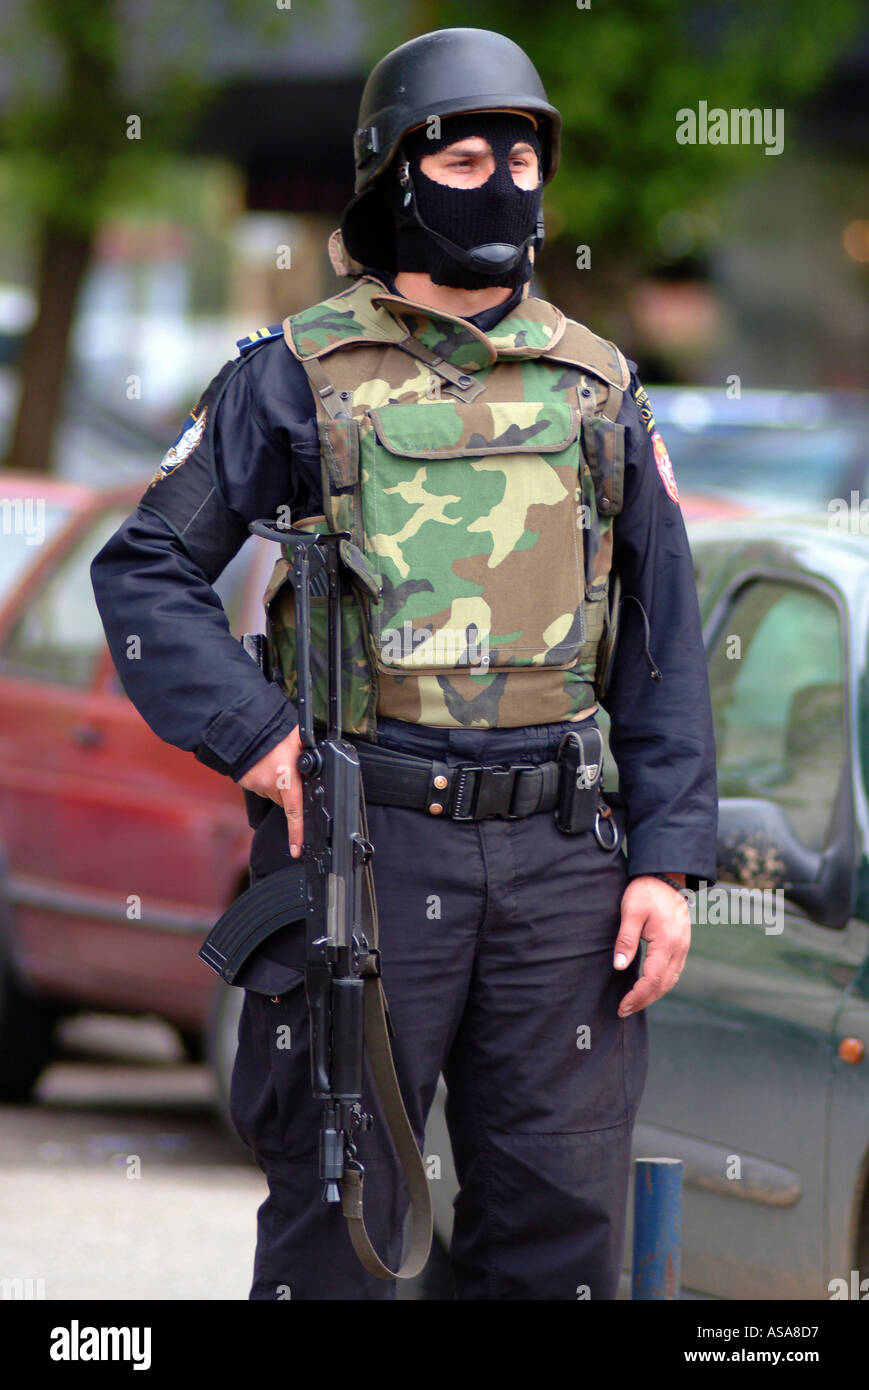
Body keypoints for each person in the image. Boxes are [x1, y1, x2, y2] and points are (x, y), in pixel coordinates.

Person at [91, 27, 717, 1300]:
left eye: (523, 157)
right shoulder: (289, 377)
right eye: (467, 153)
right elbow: (144, 569)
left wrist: (667, 861)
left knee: (558, 1225)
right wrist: (260, 741)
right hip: (365, 846)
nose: (501, 183)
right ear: (393, 175)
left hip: (563, 866)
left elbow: (660, 640)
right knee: (343, 1219)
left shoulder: (598, 390)